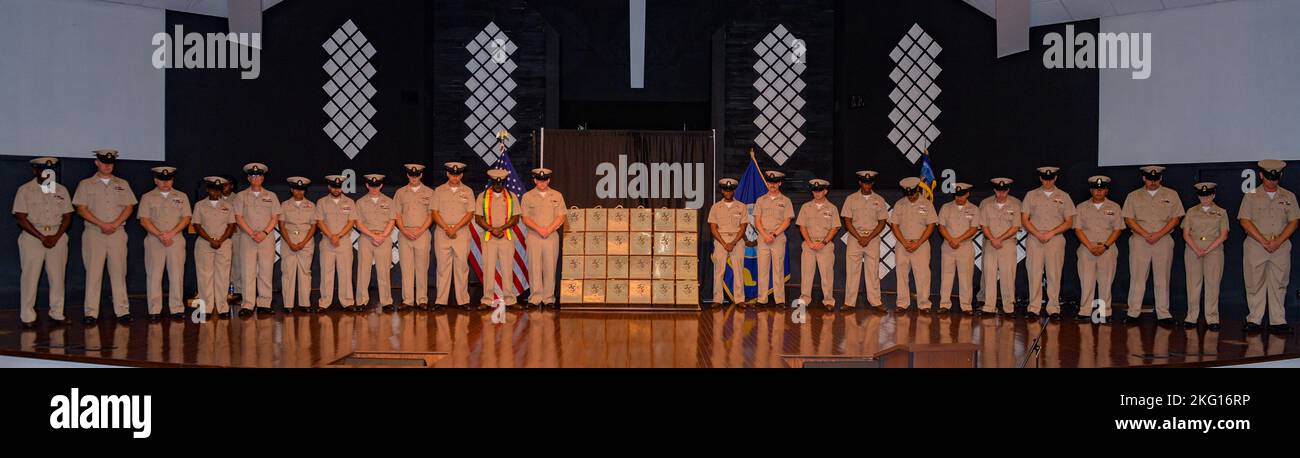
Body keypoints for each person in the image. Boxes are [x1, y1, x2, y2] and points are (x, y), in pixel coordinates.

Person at [73, 149, 137, 324]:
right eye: (104, 162)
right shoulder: (85, 184)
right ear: (97, 163)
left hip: (117, 233)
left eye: (110, 162)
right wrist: (102, 224)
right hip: (95, 233)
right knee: (93, 273)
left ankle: (122, 311)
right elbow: (81, 209)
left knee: (119, 272)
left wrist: (115, 224)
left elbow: (129, 207)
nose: (107, 165)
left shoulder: (122, 183)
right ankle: (91, 312)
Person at [1238, 160, 1298, 334]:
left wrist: (1278, 241)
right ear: (1261, 175)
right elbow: (1244, 220)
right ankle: (1254, 319)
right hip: (1256, 245)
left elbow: (1294, 221)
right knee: (1254, 282)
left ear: (1281, 176)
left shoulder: (1289, 196)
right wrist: (1263, 241)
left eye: (1276, 177)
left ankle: (1278, 320)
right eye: (1269, 177)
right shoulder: (1250, 195)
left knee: (1279, 282)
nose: (1272, 181)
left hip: (1280, 245)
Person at [12, 157, 74, 327]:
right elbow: (20, 218)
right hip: (32, 237)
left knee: (58, 277)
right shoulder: (25, 190)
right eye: (43, 170)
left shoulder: (61, 190)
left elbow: (68, 216)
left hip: (57, 236)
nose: (47, 173)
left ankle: (57, 313)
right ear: (35, 171)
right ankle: (28, 316)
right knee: (30, 277)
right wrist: (42, 237)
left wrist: (56, 236)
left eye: (51, 170)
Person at [1121, 165, 1184, 325]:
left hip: (1162, 239)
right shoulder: (1133, 196)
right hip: (1140, 239)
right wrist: (1144, 233)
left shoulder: (1172, 194)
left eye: (1156, 179)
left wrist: (1159, 234)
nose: (1153, 182)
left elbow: (1176, 218)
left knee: (1162, 278)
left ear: (1161, 178)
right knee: (1137, 277)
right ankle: (1133, 312)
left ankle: (1163, 313)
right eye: (1150, 179)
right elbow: (1128, 218)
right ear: (1144, 178)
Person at [1021, 166, 1075, 320]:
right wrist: (1037, 232)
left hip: (1055, 239)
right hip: (1034, 238)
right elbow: (1024, 219)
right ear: (1040, 178)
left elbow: (1069, 221)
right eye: (1045, 178)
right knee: (1034, 273)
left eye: (1050, 178)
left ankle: (1053, 308)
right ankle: (1034, 307)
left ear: (1056, 178)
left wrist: (1052, 232)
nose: (1047, 181)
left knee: (1054, 274)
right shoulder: (1031, 195)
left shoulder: (1064, 196)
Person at [138, 166, 191, 320]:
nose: (165, 182)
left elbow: (186, 218)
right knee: (154, 275)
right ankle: (154, 309)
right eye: (162, 179)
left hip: (175, 239)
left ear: (172, 180)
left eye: (168, 179)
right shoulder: (147, 197)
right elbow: (144, 219)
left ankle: (177, 308)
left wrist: (172, 233)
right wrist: (160, 235)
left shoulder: (182, 196)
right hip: (155, 239)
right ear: (155, 180)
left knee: (177, 275)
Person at [1073, 176, 1124, 323]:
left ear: (1106, 191)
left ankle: (1104, 312)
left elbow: (1117, 229)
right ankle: (1085, 311)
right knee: (1086, 281)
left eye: (1101, 189)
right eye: (1096, 189)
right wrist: (1089, 246)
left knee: (1106, 281)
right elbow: (1078, 228)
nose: (1098, 191)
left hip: (1107, 248)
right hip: (1086, 248)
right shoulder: (1081, 207)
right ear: (1091, 190)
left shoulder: (1115, 207)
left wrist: (1105, 246)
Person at [232, 162, 281, 316]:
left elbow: (275, 218)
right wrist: (252, 233)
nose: (256, 178)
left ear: (263, 178)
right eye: (253, 175)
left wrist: (264, 233)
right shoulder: (241, 196)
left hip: (266, 238)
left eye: (259, 175)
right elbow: (238, 218)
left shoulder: (271, 196)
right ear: (248, 178)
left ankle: (264, 303)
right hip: (248, 238)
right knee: (247, 271)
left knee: (266, 271)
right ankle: (248, 304)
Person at [1182, 182, 1228, 330]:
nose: (1205, 199)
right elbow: (1185, 233)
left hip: (1213, 251)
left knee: (1213, 285)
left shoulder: (1222, 212)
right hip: (1193, 249)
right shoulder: (1191, 211)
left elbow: (1224, 235)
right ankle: (1191, 317)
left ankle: (1212, 318)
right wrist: (1196, 249)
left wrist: (1208, 249)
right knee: (1193, 284)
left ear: (1213, 195)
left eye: (1208, 196)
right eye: (1202, 196)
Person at [841, 171, 889, 311]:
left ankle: (875, 301)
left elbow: (882, 222)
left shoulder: (879, 199)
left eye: (869, 182)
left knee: (873, 271)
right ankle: (849, 302)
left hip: (872, 238)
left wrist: (868, 238)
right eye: (864, 182)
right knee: (852, 271)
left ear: (872, 183)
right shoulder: (851, 199)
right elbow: (847, 221)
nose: (867, 185)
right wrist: (859, 237)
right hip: (855, 238)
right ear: (860, 182)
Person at [475, 168, 522, 307]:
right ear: (491, 181)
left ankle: (510, 300)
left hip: (506, 236)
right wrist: (492, 229)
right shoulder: (482, 196)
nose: (498, 185)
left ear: (505, 182)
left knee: (507, 268)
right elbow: (478, 218)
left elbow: (516, 217)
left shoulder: (511, 196)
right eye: (495, 183)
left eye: (500, 183)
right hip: (489, 237)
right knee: (488, 268)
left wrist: (502, 228)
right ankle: (487, 300)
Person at [889, 177, 937, 312]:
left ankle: (924, 304)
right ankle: (902, 303)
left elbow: (931, 225)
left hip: (920, 244)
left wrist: (919, 242)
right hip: (902, 244)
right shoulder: (899, 204)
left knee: (923, 275)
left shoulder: (927, 204)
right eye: (908, 194)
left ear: (917, 190)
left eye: (913, 194)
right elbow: (894, 225)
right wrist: (904, 242)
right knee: (901, 274)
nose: (911, 197)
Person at [521, 168, 567, 308]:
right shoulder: (527, 196)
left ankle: (548, 299)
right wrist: (539, 229)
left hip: (551, 236)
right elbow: (525, 217)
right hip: (534, 236)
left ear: (549, 180)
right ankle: (535, 298)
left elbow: (561, 216)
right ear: (535, 180)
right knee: (534, 267)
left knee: (550, 267)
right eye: (539, 180)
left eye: (545, 180)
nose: (542, 183)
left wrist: (549, 229)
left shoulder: (557, 195)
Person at [191, 176, 236, 317]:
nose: (215, 193)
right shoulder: (200, 205)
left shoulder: (228, 205)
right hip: (205, 243)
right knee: (205, 276)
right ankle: (206, 308)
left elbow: (231, 225)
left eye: (218, 190)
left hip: (223, 243)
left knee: (223, 275)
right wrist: (210, 239)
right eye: (212, 189)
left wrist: (221, 240)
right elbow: (197, 225)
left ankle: (222, 307)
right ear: (207, 189)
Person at [433, 162, 474, 309]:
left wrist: (455, 228)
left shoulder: (468, 191)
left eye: (457, 174)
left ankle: (463, 300)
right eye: (452, 174)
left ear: (461, 175)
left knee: (462, 266)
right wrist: (446, 228)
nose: (454, 177)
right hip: (442, 232)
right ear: (447, 174)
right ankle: (440, 301)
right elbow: (434, 212)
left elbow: (470, 213)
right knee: (443, 268)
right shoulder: (438, 191)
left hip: (461, 232)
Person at [979, 178, 1021, 316]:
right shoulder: (987, 206)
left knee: (1007, 276)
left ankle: (1008, 307)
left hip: (1007, 244)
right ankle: (989, 306)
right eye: (998, 191)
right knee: (989, 276)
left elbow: (1015, 227)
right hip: (991, 244)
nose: (1001, 194)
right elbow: (984, 225)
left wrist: (1000, 239)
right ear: (995, 190)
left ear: (1008, 190)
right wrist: (992, 239)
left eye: (1004, 191)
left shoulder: (1015, 205)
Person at [395, 164, 435, 309]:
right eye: (411, 175)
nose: (414, 178)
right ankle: (407, 300)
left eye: (416, 175)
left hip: (422, 233)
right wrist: (404, 230)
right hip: (405, 234)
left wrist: (420, 230)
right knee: (406, 268)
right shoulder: (400, 193)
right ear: (407, 175)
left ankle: (422, 299)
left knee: (422, 268)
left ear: (421, 175)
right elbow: (397, 214)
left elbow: (432, 215)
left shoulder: (430, 192)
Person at [937, 182, 980, 314]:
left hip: (965, 246)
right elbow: (941, 226)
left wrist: (958, 240)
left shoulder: (974, 209)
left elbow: (973, 228)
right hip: (948, 246)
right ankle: (944, 304)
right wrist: (951, 240)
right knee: (946, 276)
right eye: (956, 195)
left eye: (961, 195)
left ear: (967, 194)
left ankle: (966, 306)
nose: (959, 198)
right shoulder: (946, 207)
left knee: (966, 277)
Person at [355, 174, 396, 312]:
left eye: (377, 185)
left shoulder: (389, 201)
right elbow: (358, 223)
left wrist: (383, 236)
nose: (374, 188)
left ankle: (386, 301)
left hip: (383, 238)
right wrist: (373, 235)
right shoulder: (360, 202)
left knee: (384, 271)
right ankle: (361, 301)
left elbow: (392, 221)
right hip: (366, 238)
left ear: (381, 185)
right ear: (367, 185)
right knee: (363, 271)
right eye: (372, 185)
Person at [797, 179, 840, 309]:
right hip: (809, 244)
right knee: (806, 273)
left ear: (825, 191)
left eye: (820, 190)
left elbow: (835, 228)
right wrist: (809, 242)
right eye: (815, 190)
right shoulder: (806, 207)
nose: (817, 193)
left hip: (825, 245)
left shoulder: (832, 208)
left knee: (827, 274)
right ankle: (804, 299)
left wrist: (824, 242)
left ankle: (828, 301)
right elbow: (802, 226)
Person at [752, 170, 793, 306]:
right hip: (763, 238)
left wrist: (774, 235)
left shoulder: (786, 201)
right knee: (762, 270)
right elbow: (757, 221)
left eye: (775, 182)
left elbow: (787, 221)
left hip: (778, 238)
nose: (772, 185)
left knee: (778, 269)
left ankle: (779, 300)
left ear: (780, 183)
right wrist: (765, 235)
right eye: (770, 182)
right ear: (767, 183)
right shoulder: (760, 200)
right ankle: (761, 299)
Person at [316, 175, 356, 311]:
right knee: (326, 273)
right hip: (327, 241)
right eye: (334, 187)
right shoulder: (321, 202)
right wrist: (330, 236)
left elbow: (351, 222)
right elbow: (320, 222)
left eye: (338, 187)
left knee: (345, 272)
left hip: (343, 241)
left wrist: (338, 235)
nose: (336, 189)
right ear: (329, 187)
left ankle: (347, 302)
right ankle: (324, 302)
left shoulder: (350, 202)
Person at [708, 178, 747, 306]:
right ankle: (717, 299)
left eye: (730, 190)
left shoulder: (741, 206)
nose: (728, 192)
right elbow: (713, 228)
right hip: (721, 241)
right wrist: (724, 243)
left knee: (738, 271)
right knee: (719, 271)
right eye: (725, 190)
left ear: (734, 190)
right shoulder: (715, 207)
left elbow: (743, 227)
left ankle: (740, 299)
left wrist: (733, 242)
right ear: (722, 191)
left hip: (737, 240)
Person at [279, 177, 316, 312]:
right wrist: (290, 242)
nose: (299, 192)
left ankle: (305, 303)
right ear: (291, 190)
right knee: (288, 272)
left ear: (304, 191)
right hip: (288, 240)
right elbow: (281, 225)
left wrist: (303, 242)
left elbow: (313, 226)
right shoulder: (284, 205)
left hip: (305, 241)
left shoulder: (311, 206)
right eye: (296, 189)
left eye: (301, 190)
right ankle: (288, 305)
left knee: (305, 272)